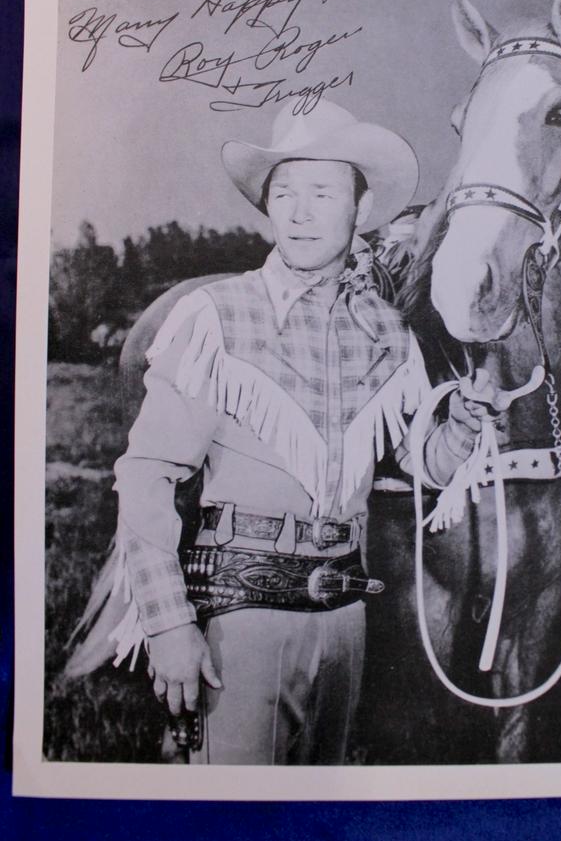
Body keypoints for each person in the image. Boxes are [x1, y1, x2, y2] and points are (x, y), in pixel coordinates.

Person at [70, 99, 485, 765]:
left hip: (345, 622)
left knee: (318, 828)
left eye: (322, 193)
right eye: (283, 192)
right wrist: (171, 624)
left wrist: (455, 438)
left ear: (360, 207)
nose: (298, 211)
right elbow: (147, 476)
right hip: (241, 615)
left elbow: (411, 465)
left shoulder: (387, 334)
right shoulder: (216, 317)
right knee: (234, 833)